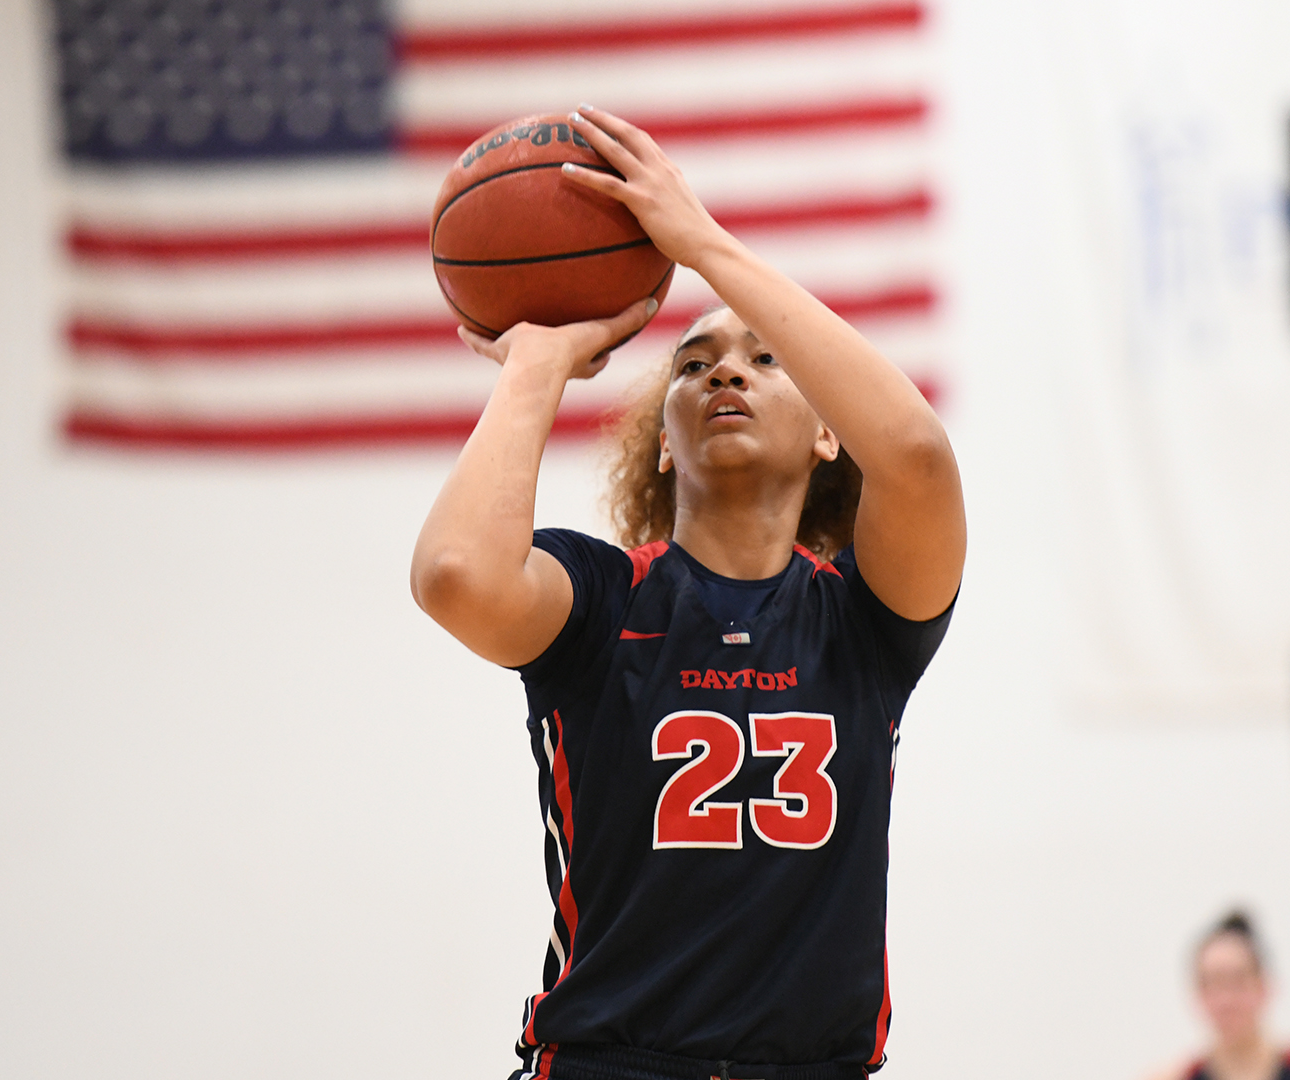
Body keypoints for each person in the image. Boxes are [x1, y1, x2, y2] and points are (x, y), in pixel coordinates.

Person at [410, 105, 965, 1080]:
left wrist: (701, 244)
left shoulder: (863, 625)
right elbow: (457, 574)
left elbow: (915, 455)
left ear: (830, 430)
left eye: (763, 360)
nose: (725, 375)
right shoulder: (601, 604)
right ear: (663, 442)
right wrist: (536, 364)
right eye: (694, 362)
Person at [1145, 911, 1290, 1080]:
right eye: (1212, 983)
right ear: (1196, 994)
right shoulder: (1169, 1076)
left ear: (1265, 986)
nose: (1226, 1000)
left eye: (1236, 982)